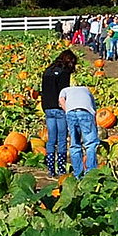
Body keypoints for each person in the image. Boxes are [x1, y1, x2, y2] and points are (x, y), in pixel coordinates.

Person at [42, 49, 76, 177]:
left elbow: (44, 90)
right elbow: (63, 94)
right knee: (62, 139)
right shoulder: (64, 72)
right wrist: (67, 108)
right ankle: (61, 168)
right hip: (59, 108)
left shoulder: (48, 71)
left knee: (51, 139)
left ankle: (51, 169)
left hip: (48, 107)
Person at [60, 71, 99, 176]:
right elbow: (93, 107)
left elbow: (61, 101)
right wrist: (94, 122)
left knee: (75, 144)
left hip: (71, 113)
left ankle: (78, 174)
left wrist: (67, 110)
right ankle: (91, 173)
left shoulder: (64, 90)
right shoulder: (86, 89)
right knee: (91, 143)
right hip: (86, 112)